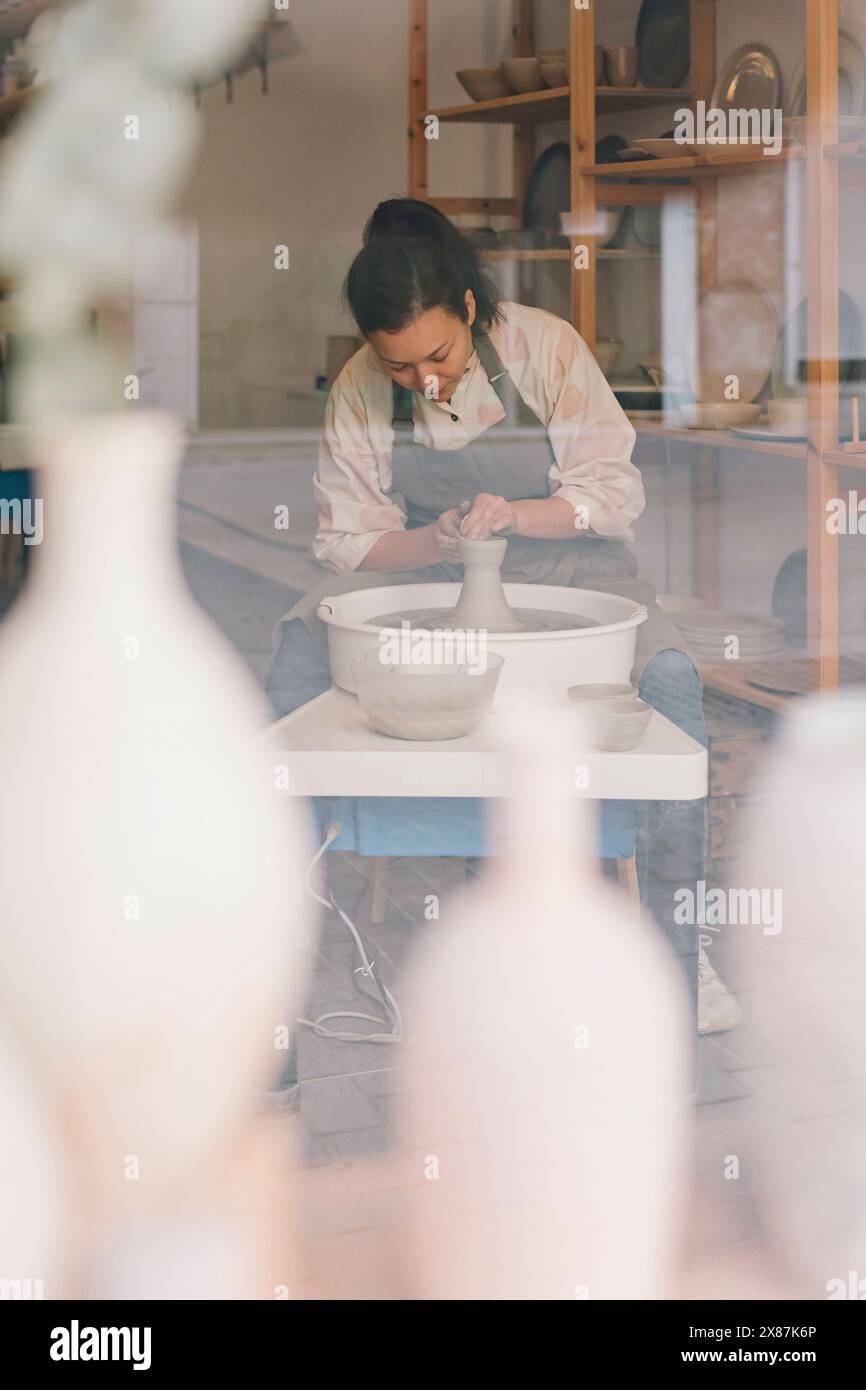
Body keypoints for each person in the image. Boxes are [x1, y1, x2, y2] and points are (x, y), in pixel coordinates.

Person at [267, 198, 738, 1036]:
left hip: (574, 566)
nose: (425, 381)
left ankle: (679, 942)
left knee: (669, 677)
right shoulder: (360, 386)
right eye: (401, 367)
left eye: (439, 356)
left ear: (470, 309)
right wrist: (436, 540)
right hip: (435, 574)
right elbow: (349, 541)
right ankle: (283, 936)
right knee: (300, 647)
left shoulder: (544, 346)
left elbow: (612, 494)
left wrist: (519, 514)